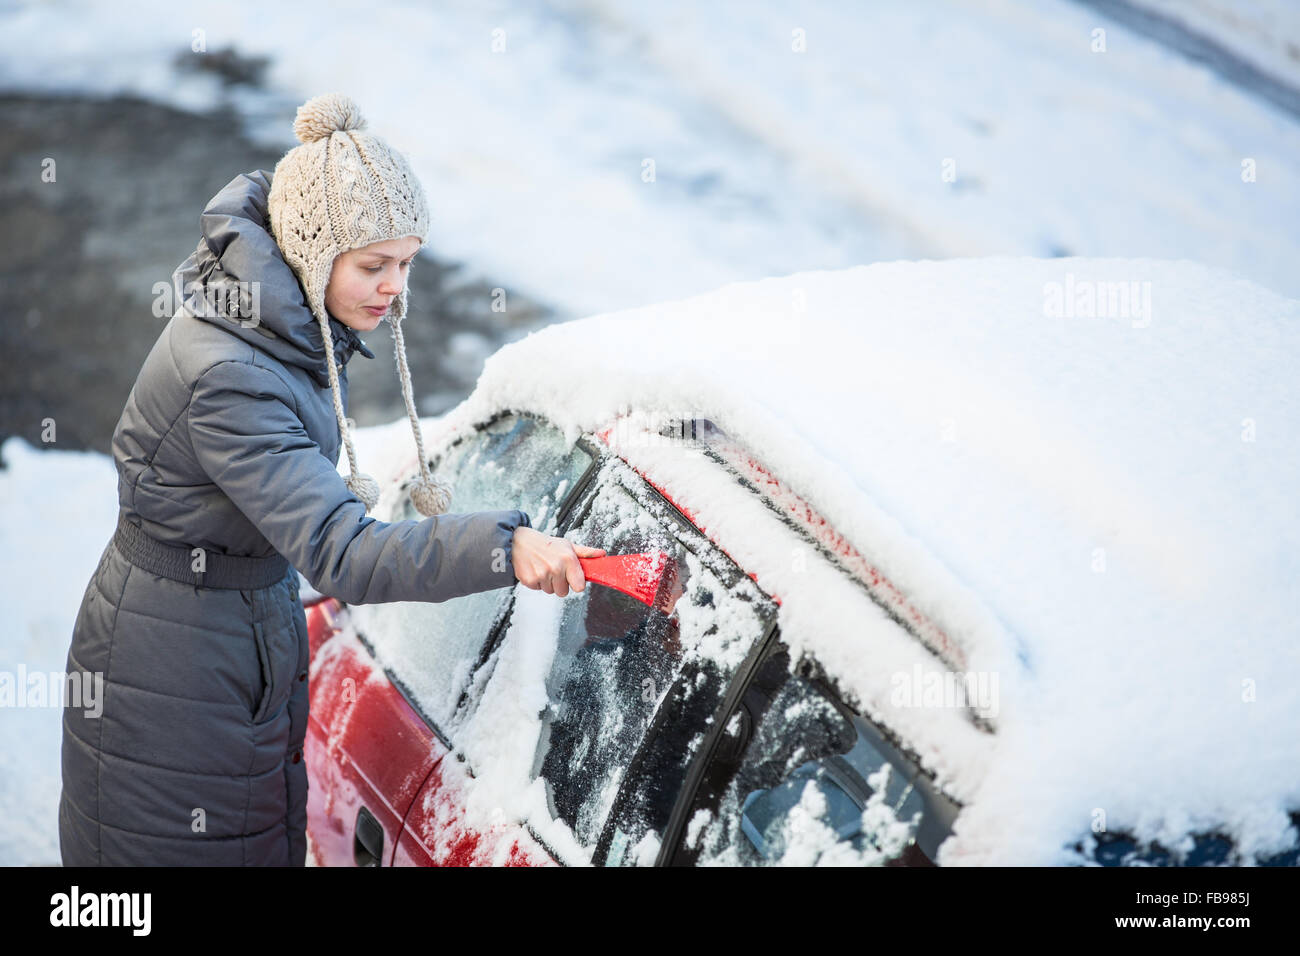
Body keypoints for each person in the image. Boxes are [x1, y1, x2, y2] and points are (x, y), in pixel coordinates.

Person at [58, 92, 602, 866]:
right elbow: (344, 553)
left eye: (407, 264)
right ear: (312, 256)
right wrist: (501, 546)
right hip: (174, 676)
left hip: (220, 633)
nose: (394, 288)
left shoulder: (277, 327)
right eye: (374, 265)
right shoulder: (232, 375)